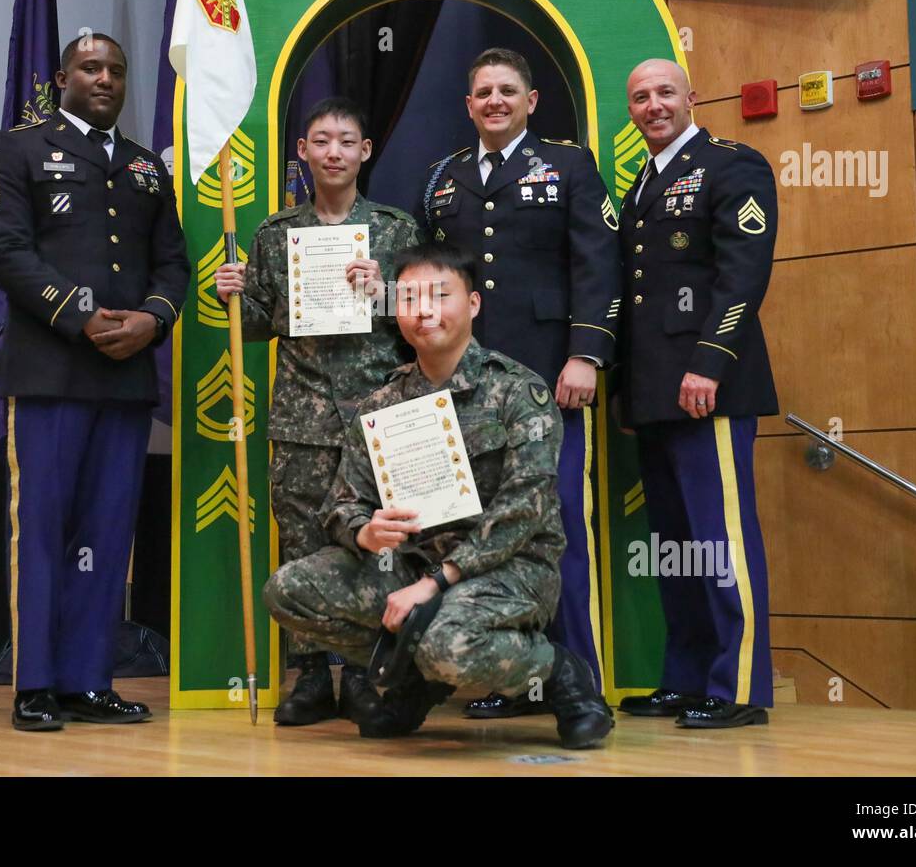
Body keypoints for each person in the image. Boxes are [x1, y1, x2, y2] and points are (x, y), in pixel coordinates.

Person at [264, 242, 614, 749]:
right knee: (290, 588)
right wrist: (364, 529)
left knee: (447, 642)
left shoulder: (518, 391)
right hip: (409, 567)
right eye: (407, 298)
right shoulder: (382, 403)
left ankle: (561, 675)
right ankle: (415, 677)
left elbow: (524, 511)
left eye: (439, 295)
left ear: (473, 304)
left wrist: (436, 581)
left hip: (508, 570)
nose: (423, 311)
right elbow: (342, 503)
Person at [0, 33, 189, 730]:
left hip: (124, 379)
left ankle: (88, 679)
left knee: (107, 531)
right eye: (91, 68)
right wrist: (81, 313)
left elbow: (172, 265)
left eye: (117, 71)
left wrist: (154, 322)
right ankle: (34, 682)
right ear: (63, 75)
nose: (105, 79)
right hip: (50, 372)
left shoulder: (144, 169)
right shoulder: (17, 149)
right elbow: (5, 248)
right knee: (40, 530)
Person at [416, 48, 621, 717]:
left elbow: (598, 264)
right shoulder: (442, 178)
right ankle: (510, 676)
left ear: (531, 101)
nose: (495, 100)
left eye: (508, 90)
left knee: (555, 528)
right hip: (467, 391)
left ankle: (574, 679)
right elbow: (432, 277)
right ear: (468, 104)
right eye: (483, 92)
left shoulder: (568, 166)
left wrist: (586, 354)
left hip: (546, 380)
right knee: (479, 535)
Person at [214, 97, 419, 726]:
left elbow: (424, 320)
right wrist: (233, 294)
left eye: (346, 141)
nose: (334, 152)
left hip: (375, 416)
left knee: (375, 547)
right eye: (321, 141)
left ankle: (362, 671)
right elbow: (254, 327)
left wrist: (381, 291)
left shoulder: (396, 229)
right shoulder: (275, 234)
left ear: (365, 152)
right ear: (302, 152)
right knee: (302, 541)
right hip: (300, 417)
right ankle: (306, 677)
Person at [612, 58, 777, 728]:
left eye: (664, 93)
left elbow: (744, 275)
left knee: (722, 539)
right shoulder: (641, 183)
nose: (653, 105)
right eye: (641, 96)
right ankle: (686, 676)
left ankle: (738, 686)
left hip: (710, 386)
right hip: (657, 393)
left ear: (691, 97)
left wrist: (709, 362)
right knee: (678, 544)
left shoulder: (733, 164)